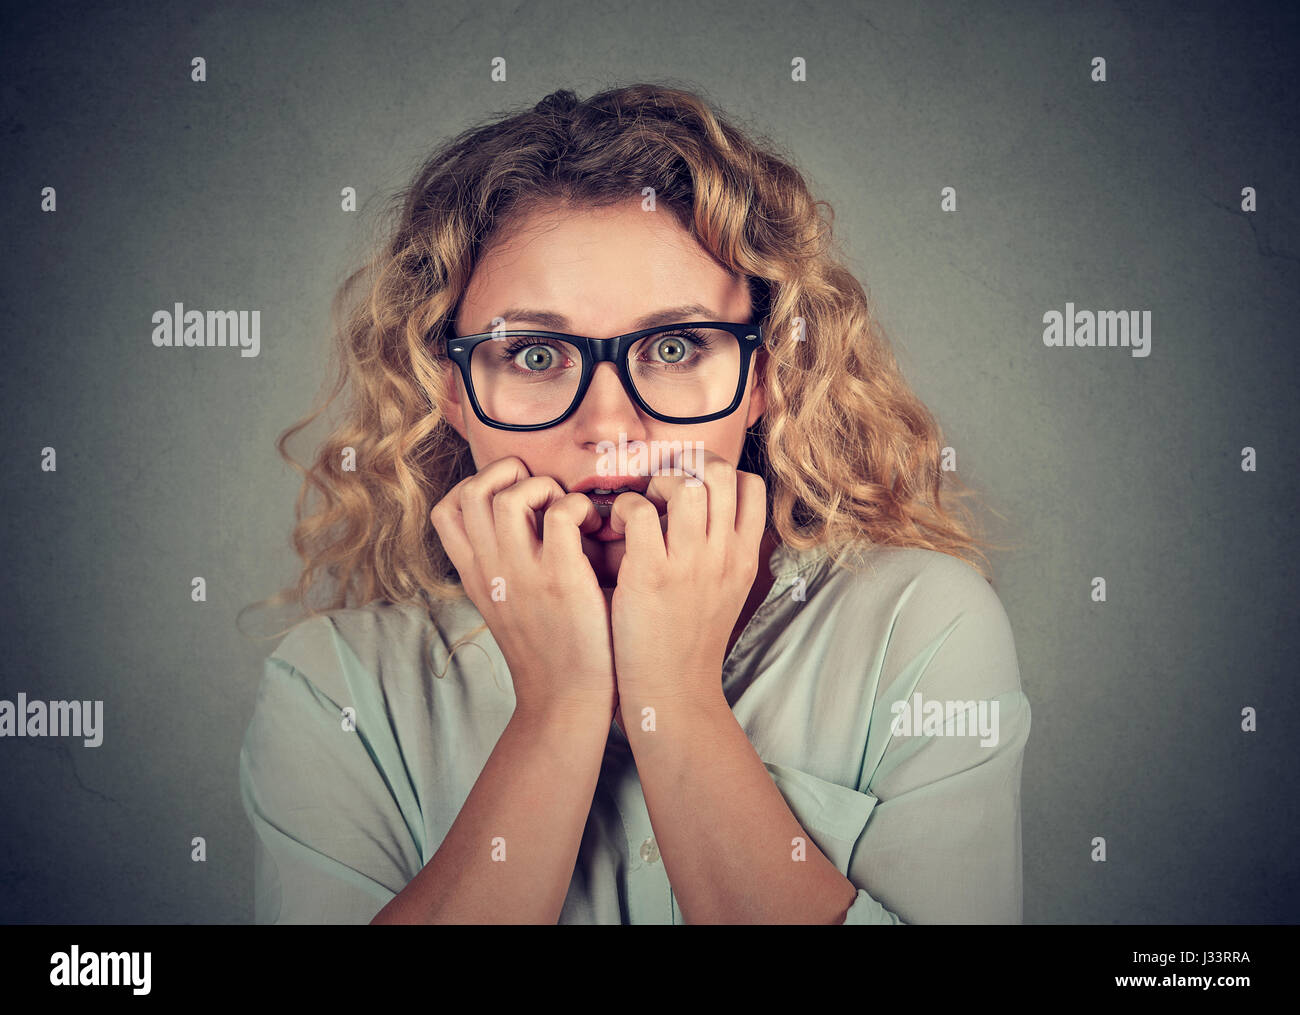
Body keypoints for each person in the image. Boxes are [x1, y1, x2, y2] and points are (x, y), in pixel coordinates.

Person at [238, 83, 1030, 925]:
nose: (609, 424)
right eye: (535, 353)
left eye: (676, 345)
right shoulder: (335, 686)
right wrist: (559, 707)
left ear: (762, 379)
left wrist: (677, 695)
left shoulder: (917, 626)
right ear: (454, 394)